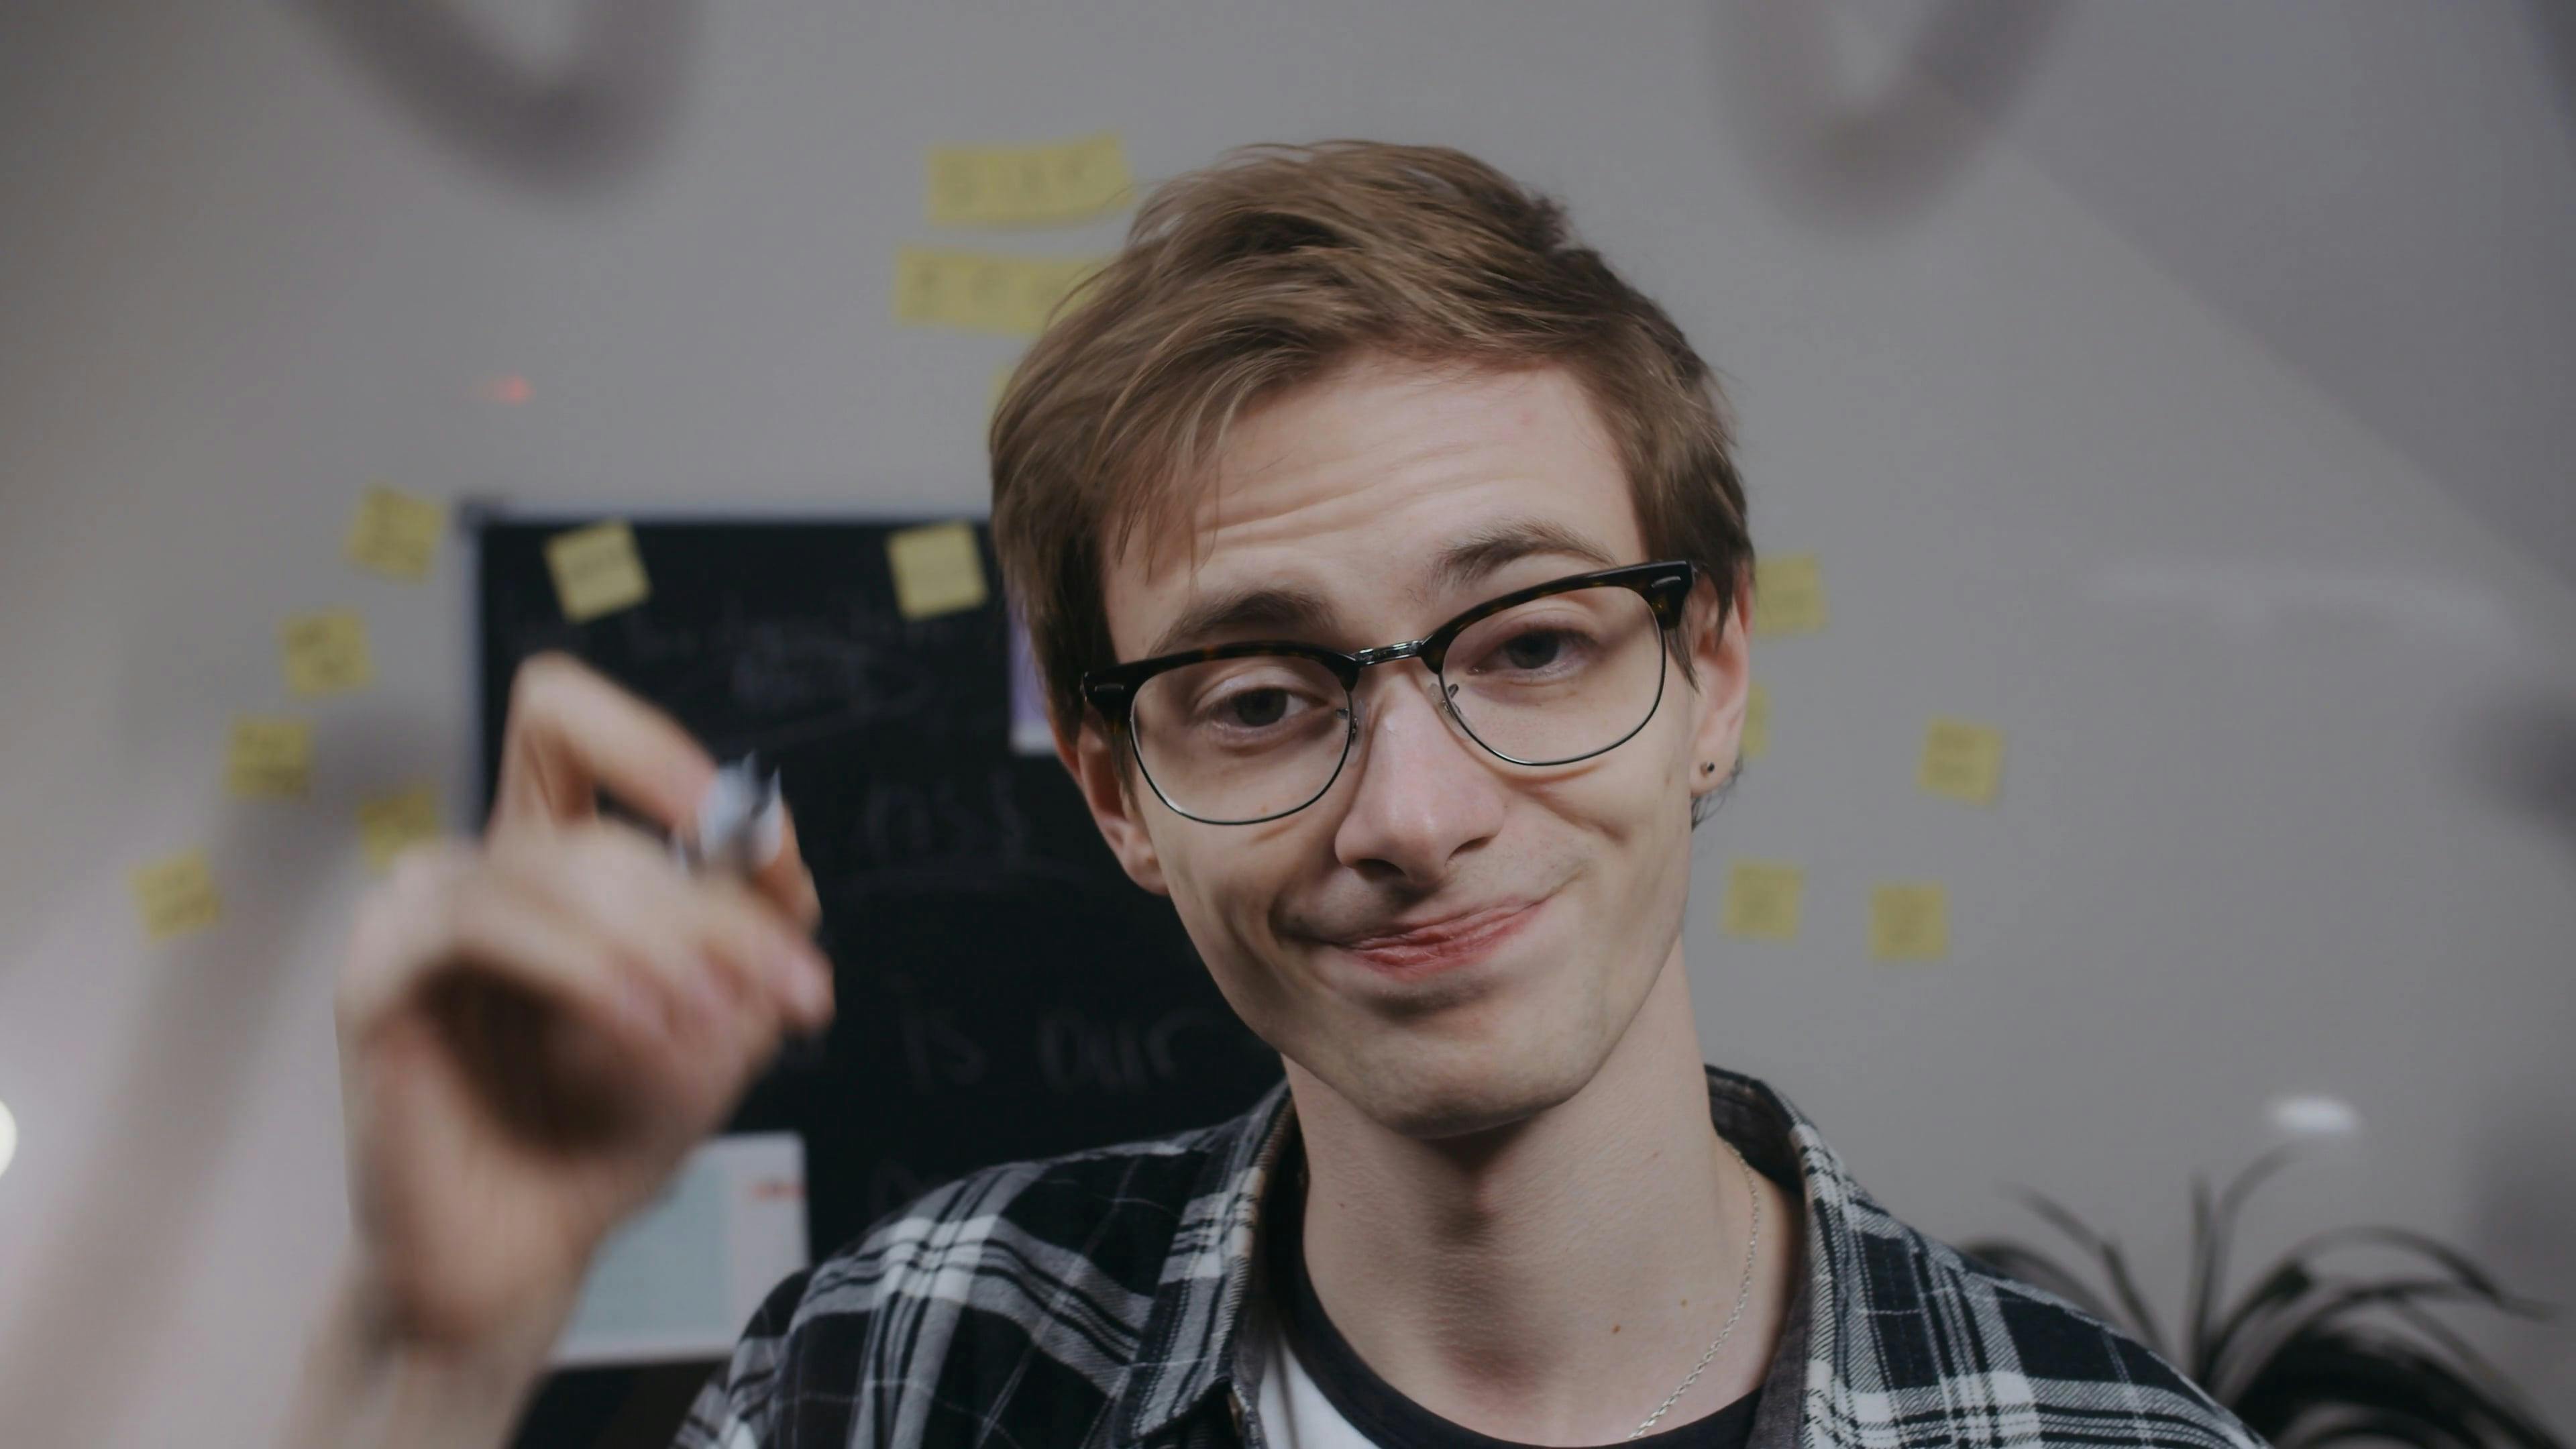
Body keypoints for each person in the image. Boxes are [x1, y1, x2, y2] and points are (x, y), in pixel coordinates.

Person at [285, 142, 2266, 1449]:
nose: (1410, 808)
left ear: (1712, 676)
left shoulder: (2103, 1438)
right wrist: (449, 1355)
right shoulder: (895, 1372)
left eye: (1532, 644)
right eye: (1256, 695)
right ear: (1118, 790)